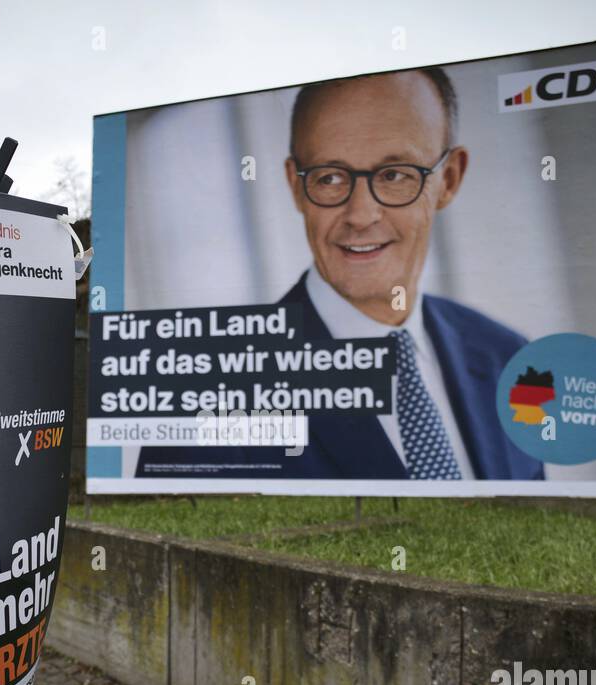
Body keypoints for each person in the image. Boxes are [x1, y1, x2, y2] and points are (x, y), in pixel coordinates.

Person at [136, 66, 543, 480]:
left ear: (449, 179)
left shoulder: (508, 359)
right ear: (296, 188)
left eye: (395, 175)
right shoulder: (208, 398)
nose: (362, 215)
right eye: (329, 178)